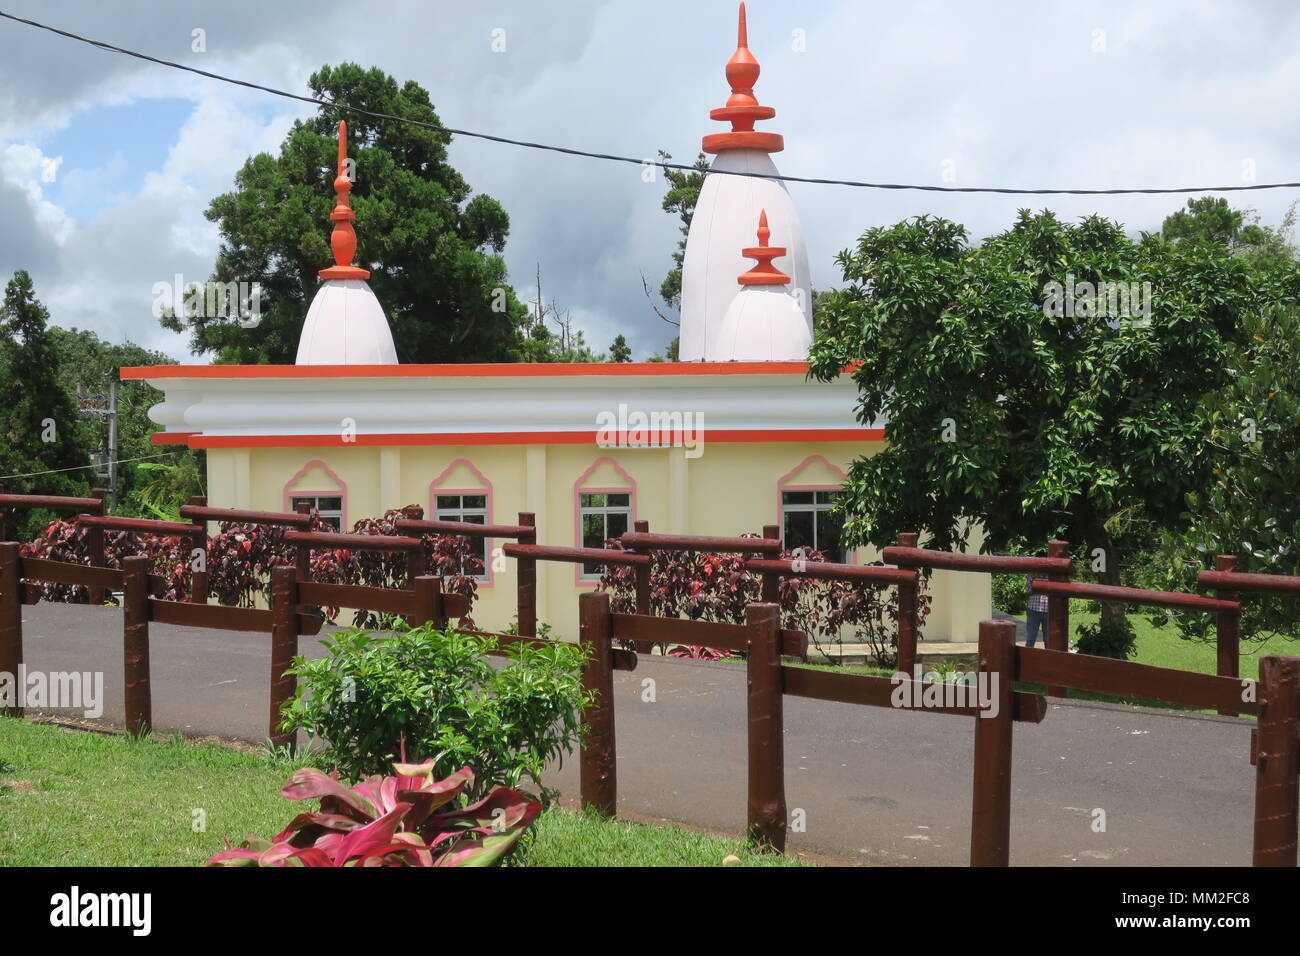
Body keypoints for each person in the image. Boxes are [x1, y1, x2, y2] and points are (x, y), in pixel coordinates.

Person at [1025, 572, 1050, 648]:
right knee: (1030, 639)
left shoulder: (1053, 573)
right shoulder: (1033, 571)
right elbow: (1028, 588)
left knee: (1048, 640)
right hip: (1033, 609)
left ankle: (1050, 659)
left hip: (1049, 610)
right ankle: (1027, 658)